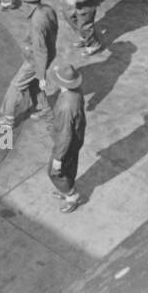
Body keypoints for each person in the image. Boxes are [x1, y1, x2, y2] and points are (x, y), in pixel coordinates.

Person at [0, 0, 58, 129]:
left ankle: (8, 118)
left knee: (16, 86)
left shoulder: (37, 21)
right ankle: (45, 110)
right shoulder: (48, 10)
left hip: (36, 60)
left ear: (27, 2)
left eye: (22, 2)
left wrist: (41, 75)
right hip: (47, 54)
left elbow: (40, 49)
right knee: (32, 84)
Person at [48, 64, 87, 213]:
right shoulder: (76, 92)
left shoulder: (66, 106)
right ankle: (66, 190)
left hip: (67, 144)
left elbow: (65, 135)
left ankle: (72, 196)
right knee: (69, 167)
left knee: (55, 171)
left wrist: (58, 158)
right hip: (76, 138)